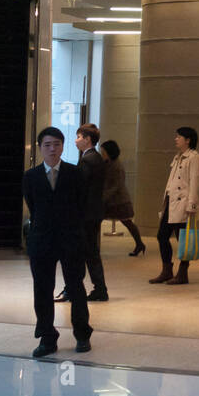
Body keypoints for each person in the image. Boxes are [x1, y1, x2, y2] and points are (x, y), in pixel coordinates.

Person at [22, 127, 91, 357]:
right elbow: (33, 206)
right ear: (40, 147)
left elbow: (83, 205)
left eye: (57, 144)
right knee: (42, 289)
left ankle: (82, 334)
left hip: (70, 239)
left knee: (75, 287)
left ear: (63, 147)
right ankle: (47, 337)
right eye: (48, 145)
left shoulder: (75, 173)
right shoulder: (30, 177)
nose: (52, 149)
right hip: (42, 240)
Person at [150, 127, 199, 285]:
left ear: (188, 140)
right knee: (162, 236)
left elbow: (195, 181)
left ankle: (182, 272)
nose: (176, 139)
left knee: (184, 239)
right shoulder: (179, 157)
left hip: (183, 204)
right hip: (171, 202)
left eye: (179, 137)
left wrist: (192, 205)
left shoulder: (194, 157)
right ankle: (167, 270)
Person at [65, 124, 108, 302]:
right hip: (93, 212)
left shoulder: (88, 160)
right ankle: (97, 288)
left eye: (78, 137)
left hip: (85, 214)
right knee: (90, 252)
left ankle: (79, 288)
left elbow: (81, 188)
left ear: (87, 139)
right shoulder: (95, 158)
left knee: (84, 252)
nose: (76, 140)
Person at [98, 140, 145, 255]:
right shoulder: (108, 162)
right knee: (126, 222)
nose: (101, 153)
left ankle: (139, 244)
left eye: (103, 151)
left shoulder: (116, 166)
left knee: (127, 222)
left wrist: (103, 197)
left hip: (118, 201)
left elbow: (116, 185)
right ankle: (140, 244)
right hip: (112, 200)